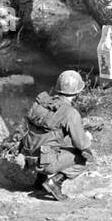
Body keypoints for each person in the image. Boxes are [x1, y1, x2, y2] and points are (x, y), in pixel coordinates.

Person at [20, 70, 93, 201]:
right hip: (44, 163)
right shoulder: (70, 113)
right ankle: (55, 183)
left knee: (48, 140)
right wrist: (87, 138)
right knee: (86, 157)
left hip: (26, 158)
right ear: (77, 92)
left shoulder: (40, 103)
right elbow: (81, 144)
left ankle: (39, 181)